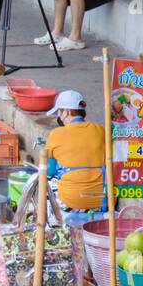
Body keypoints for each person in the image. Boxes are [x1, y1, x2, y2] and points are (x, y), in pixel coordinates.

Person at [43, 90, 106, 223]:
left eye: (59, 113)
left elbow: (50, 171)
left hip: (71, 202)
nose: (59, 117)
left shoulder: (56, 134)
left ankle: (53, 224)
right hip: (102, 200)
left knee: (43, 181)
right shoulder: (100, 130)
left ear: (66, 112)